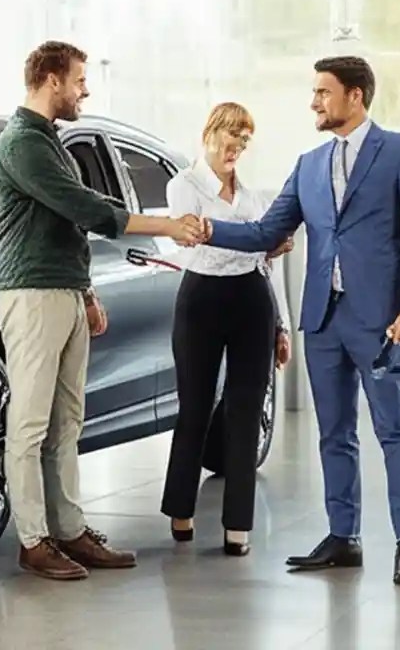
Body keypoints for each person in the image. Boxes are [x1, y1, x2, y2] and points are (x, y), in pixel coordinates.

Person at [196, 56, 400, 586]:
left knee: (395, 430)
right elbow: (265, 231)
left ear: (355, 96)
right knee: (333, 432)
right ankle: (343, 537)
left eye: (323, 92)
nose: (314, 102)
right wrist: (204, 229)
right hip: (323, 321)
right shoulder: (308, 164)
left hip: (382, 323)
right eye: (313, 92)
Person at [0, 40, 206, 581]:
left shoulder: (52, 142)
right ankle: (33, 540)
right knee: (30, 424)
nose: (85, 89)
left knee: (67, 421)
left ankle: (69, 531)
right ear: (51, 80)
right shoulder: (22, 144)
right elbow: (83, 209)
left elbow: (61, 229)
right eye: (79, 79)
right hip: (32, 296)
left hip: (62, 292)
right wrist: (166, 226)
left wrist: (84, 292)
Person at [159, 102, 294, 557]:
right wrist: (257, 238)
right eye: (230, 137)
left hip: (252, 301)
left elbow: (263, 262)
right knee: (195, 408)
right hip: (202, 300)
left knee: (246, 410)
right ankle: (181, 509)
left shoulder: (252, 198)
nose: (236, 148)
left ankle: (239, 524)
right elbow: (196, 240)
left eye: (244, 141)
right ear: (210, 133)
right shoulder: (184, 185)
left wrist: (281, 325)